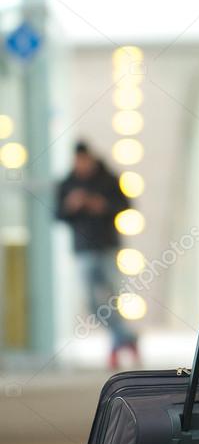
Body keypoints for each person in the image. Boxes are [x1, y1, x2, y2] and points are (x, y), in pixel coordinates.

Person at [55, 140, 141, 370]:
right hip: (82, 250)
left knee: (112, 298)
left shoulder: (108, 178)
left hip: (107, 246)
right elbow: (57, 214)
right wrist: (71, 205)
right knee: (93, 302)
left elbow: (126, 204)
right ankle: (126, 338)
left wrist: (101, 205)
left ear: (90, 158)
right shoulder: (67, 183)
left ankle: (116, 344)